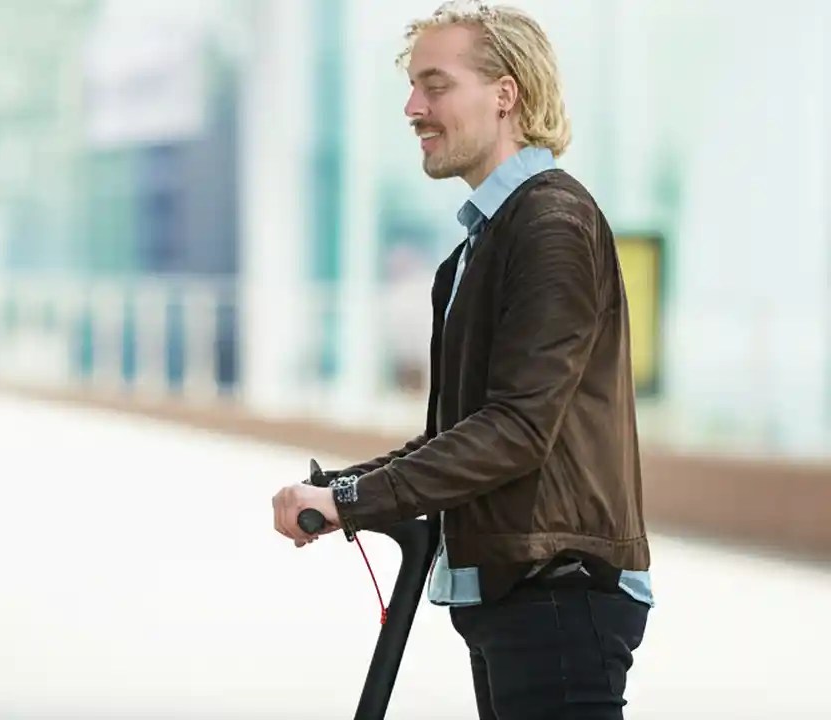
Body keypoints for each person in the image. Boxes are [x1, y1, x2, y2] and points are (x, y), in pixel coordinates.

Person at [270, 2, 652, 718]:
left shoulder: (551, 227)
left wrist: (351, 502)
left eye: (435, 85)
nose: (414, 107)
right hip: (517, 594)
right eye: (413, 88)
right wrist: (344, 489)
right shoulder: (476, 250)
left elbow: (517, 428)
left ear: (505, 94)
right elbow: (458, 432)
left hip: (560, 592)